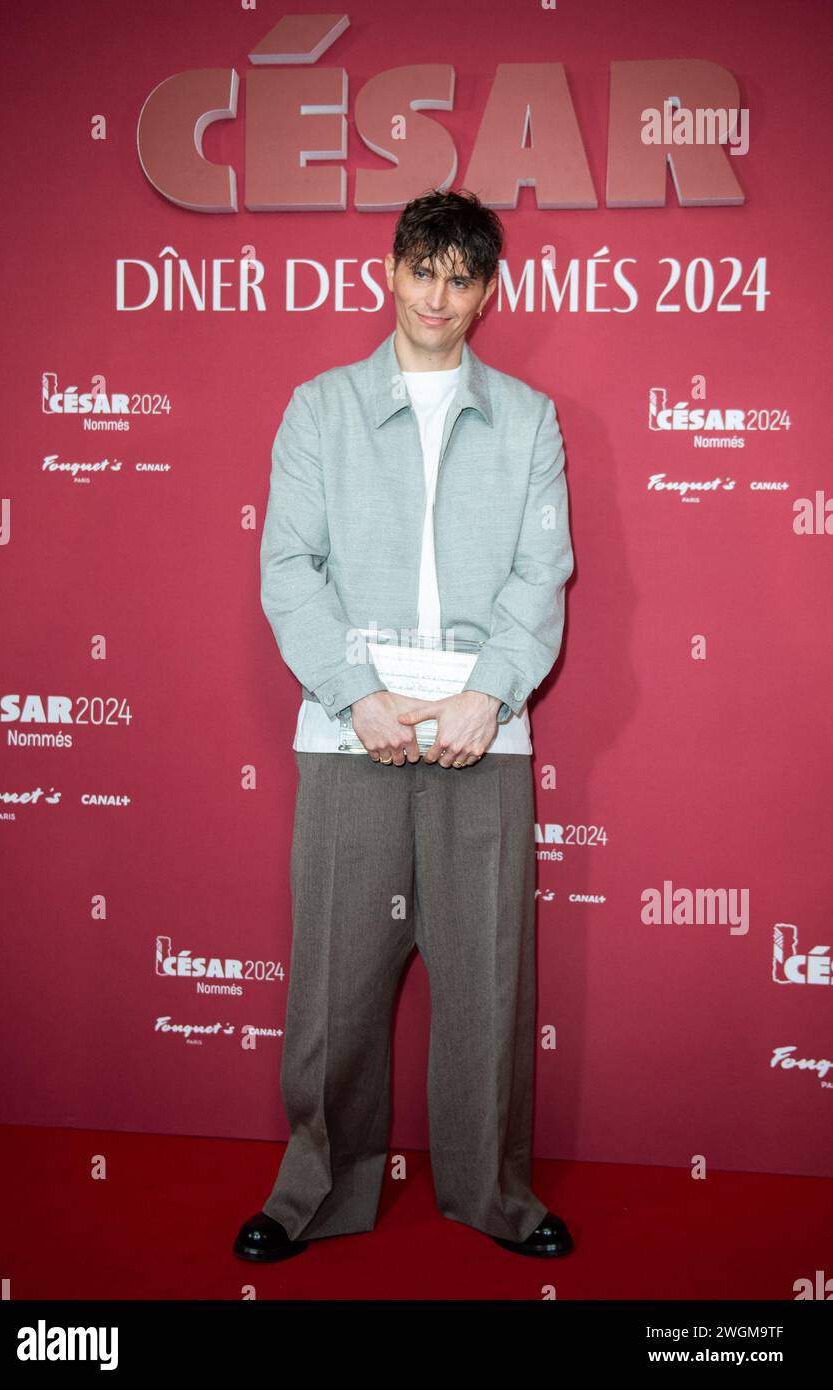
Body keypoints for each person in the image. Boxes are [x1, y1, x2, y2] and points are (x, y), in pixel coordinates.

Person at [233, 188, 575, 1264]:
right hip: (351, 734)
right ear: (390, 269)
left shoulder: (528, 417)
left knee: (484, 978)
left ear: (487, 292)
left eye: (461, 278)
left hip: (486, 733)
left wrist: (490, 694)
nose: (438, 295)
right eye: (421, 270)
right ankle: (314, 1193)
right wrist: (356, 694)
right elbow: (288, 569)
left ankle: (494, 1195)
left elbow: (541, 572)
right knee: (334, 979)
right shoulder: (318, 408)